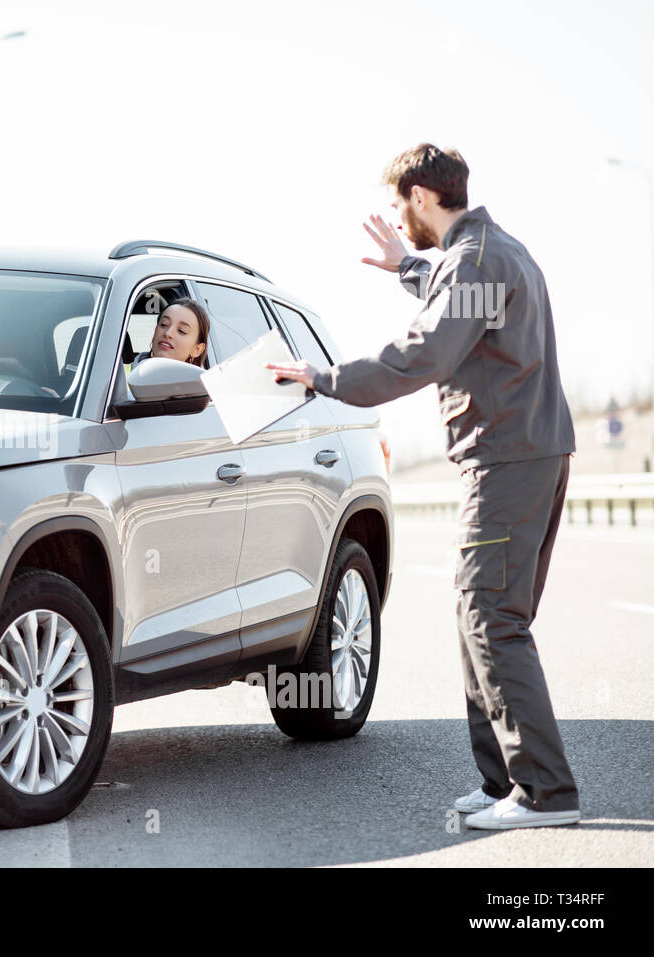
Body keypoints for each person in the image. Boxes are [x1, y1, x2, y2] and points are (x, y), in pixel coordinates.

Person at [265, 144, 581, 830]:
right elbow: (459, 303)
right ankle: (503, 779)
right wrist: (404, 266)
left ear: (419, 195)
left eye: (396, 203)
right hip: (523, 453)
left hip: (506, 460)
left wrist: (323, 377)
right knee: (483, 617)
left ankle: (545, 792)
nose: (395, 217)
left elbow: (427, 352)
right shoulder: (495, 250)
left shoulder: (478, 258)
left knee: (493, 618)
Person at [131, 298, 211, 369]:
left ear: (197, 350)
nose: (168, 333)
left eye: (181, 331)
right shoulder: (125, 378)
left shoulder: (201, 385)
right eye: (164, 324)